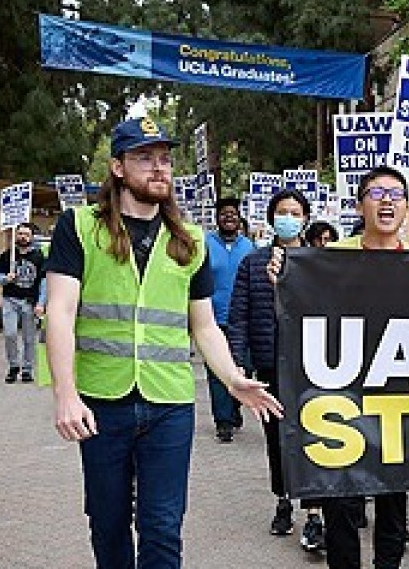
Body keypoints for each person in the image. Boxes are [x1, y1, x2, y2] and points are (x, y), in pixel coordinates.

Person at [43, 116, 280, 569]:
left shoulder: (190, 240)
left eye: (166, 159)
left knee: (163, 526)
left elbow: (204, 326)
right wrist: (65, 394)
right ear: (117, 167)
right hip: (102, 402)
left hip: (169, 402)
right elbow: (61, 311)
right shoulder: (80, 227)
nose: (159, 168)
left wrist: (233, 379)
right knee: (108, 523)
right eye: (144, 158)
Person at [267, 165, 409, 569]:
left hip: (397, 400)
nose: (386, 201)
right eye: (376, 193)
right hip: (339, 397)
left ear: (407, 207)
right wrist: (285, 280)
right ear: (360, 206)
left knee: (393, 499)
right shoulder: (329, 258)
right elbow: (300, 314)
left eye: (395, 194)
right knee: (340, 500)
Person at [228, 189, 327, 551]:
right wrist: (237, 361)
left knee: (313, 437)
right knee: (276, 438)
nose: (289, 218)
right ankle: (283, 500)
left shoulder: (318, 262)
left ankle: (314, 513)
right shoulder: (252, 263)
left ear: (305, 218)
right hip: (269, 363)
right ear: (271, 219)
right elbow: (238, 315)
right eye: (282, 212)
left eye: (295, 212)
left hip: (311, 365)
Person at [205, 197, 256, 442]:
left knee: (242, 368)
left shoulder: (249, 247)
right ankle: (223, 421)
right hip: (213, 321)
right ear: (217, 218)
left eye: (233, 214)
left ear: (239, 218)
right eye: (224, 213)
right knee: (217, 373)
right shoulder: (205, 244)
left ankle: (234, 409)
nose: (229, 217)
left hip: (243, 321)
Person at [0, 222, 46, 383]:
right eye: (20, 234)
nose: (23, 237)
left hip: (29, 301)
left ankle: (27, 369)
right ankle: (13, 366)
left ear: (31, 237)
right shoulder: (7, 256)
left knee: (29, 338)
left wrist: (41, 303)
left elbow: (44, 281)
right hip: (10, 300)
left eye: (26, 234)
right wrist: (6, 278)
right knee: (10, 334)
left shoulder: (39, 257)